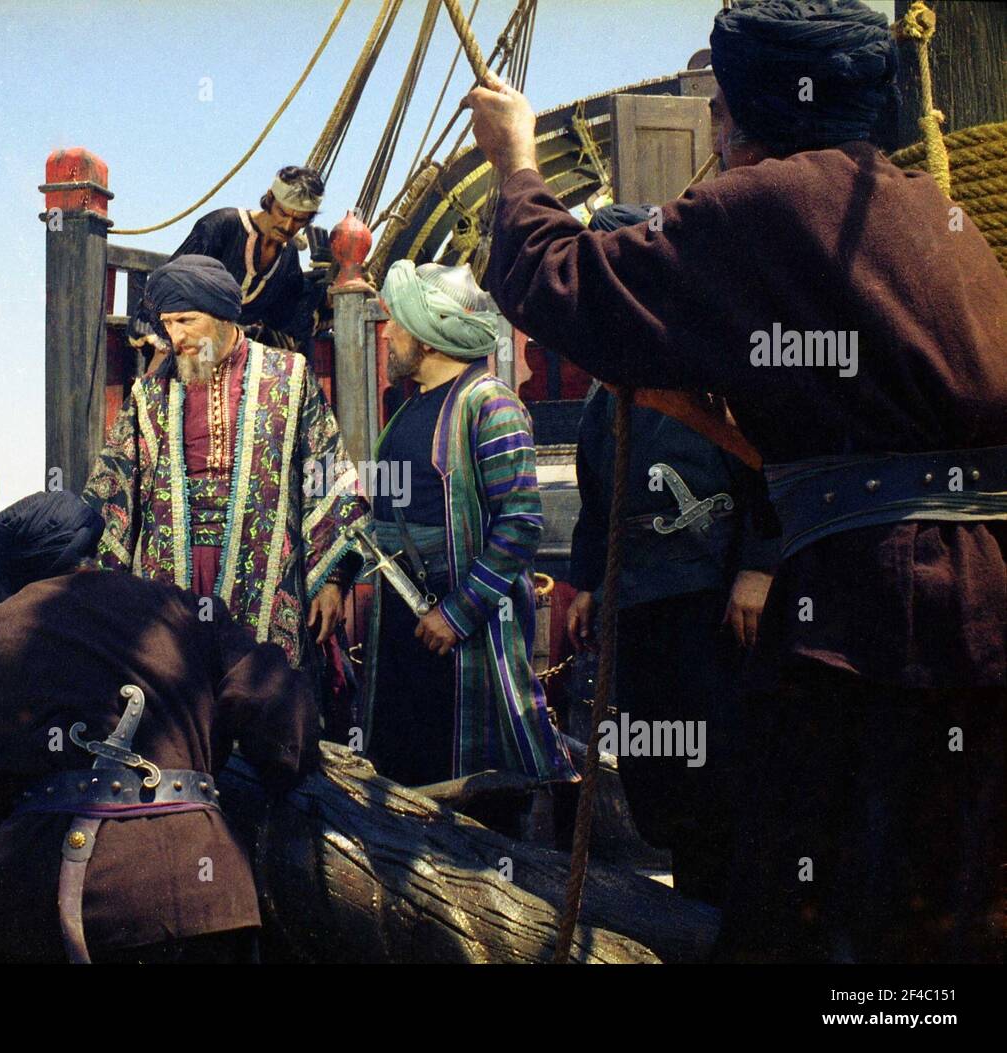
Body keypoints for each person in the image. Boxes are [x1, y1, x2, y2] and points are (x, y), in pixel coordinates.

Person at [467, 0, 1006, 962]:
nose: (714, 130)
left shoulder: (764, 208)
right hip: (977, 608)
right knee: (946, 900)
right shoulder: (935, 215)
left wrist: (515, 161)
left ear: (746, 116)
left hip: (874, 619)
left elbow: (565, 283)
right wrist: (710, 419)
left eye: (721, 107)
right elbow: (882, 451)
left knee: (822, 905)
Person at [0, 492, 319, 963]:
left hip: (69, 908)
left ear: (14, 573)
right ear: (91, 550)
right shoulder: (182, 607)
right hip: (206, 896)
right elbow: (281, 716)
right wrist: (271, 771)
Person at [567, 205, 778, 904]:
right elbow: (600, 500)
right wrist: (591, 584)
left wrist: (761, 563)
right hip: (642, 605)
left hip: (713, 600)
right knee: (662, 771)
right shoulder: (608, 396)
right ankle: (692, 906)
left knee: (727, 767)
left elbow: (769, 467)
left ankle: (737, 914)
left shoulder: (711, 362)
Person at [83, 255, 370, 680]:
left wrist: (333, 582)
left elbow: (330, 477)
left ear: (220, 315)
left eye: (186, 321)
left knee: (261, 705)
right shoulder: (150, 394)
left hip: (266, 575)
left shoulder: (289, 378)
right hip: (170, 578)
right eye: (168, 324)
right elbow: (111, 491)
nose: (175, 337)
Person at [360, 261, 572, 787]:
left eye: (400, 323)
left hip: (462, 639)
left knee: (482, 793)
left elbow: (520, 524)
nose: (388, 334)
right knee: (408, 779)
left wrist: (458, 613)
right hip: (403, 637)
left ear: (431, 336)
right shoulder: (404, 414)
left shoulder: (491, 405)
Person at [159, 165, 327, 352]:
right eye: (283, 213)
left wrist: (324, 296)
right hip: (198, 341)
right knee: (186, 372)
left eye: (299, 220)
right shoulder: (223, 225)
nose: (287, 226)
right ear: (270, 199)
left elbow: (285, 312)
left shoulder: (288, 255)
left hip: (243, 347)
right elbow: (172, 282)